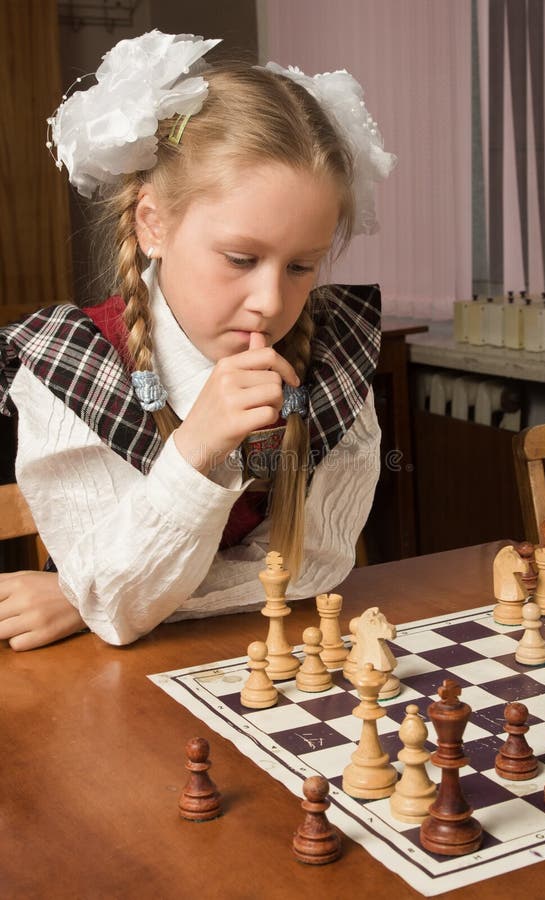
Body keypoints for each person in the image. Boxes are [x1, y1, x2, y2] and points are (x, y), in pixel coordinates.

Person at [0, 31, 395, 650]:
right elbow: (118, 601)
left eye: (301, 267)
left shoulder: (334, 356)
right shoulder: (67, 367)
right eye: (241, 258)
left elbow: (308, 572)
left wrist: (85, 600)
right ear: (153, 223)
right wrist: (196, 449)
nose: (270, 301)